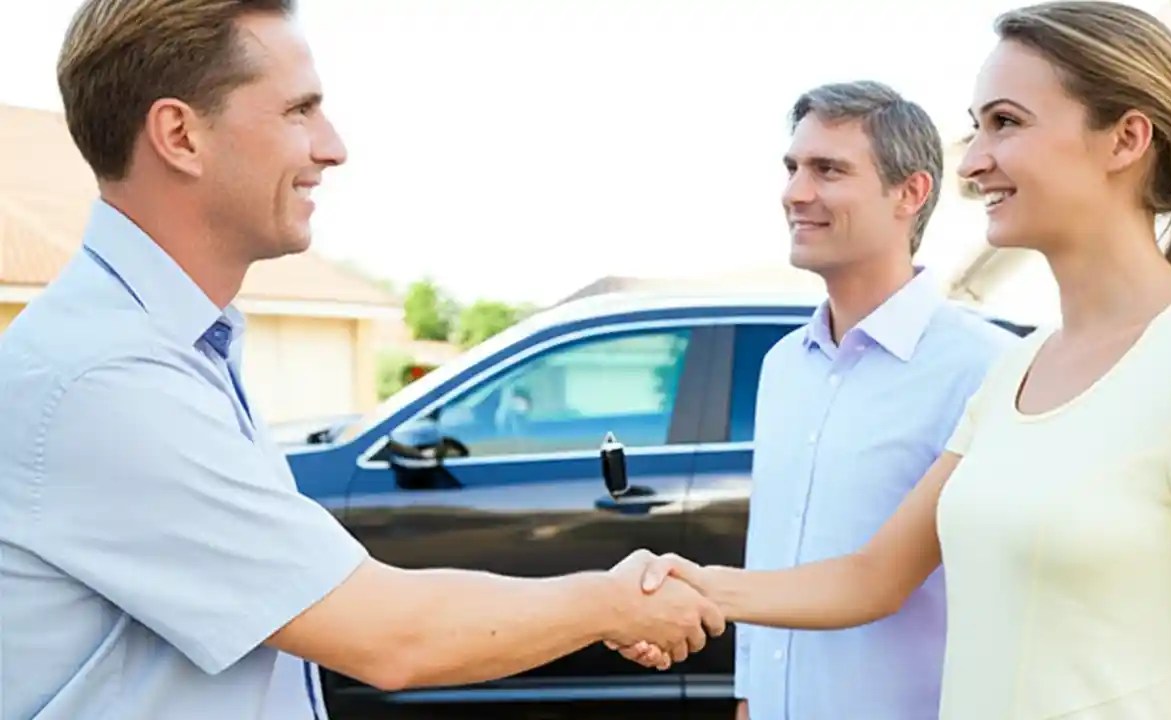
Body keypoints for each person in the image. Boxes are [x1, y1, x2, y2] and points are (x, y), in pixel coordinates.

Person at [0, 1, 723, 719]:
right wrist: (610, 603)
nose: (332, 147)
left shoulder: (162, 347)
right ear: (181, 135)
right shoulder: (105, 380)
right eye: (299, 111)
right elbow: (388, 634)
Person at [619, 2, 1171, 718]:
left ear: (1124, 139)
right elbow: (870, 580)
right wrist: (684, 582)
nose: (971, 162)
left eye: (1006, 122)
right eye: (977, 126)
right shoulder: (1017, 372)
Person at [722, 80, 1018, 720]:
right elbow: (771, 554)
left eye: (828, 170)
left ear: (910, 194)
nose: (796, 192)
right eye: (793, 167)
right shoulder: (781, 367)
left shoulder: (989, 369)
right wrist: (750, 696)